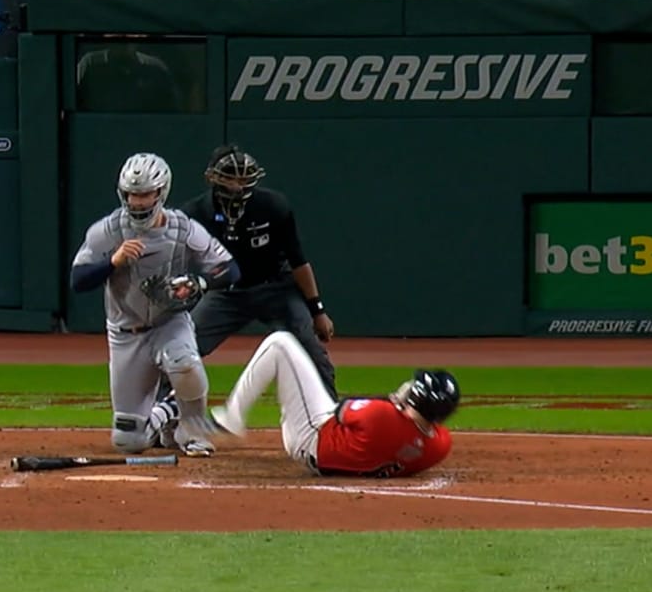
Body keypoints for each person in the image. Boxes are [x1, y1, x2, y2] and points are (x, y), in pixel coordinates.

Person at [70, 152, 241, 457]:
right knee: (128, 442)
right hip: (125, 333)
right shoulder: (107, 231)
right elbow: (78, 279)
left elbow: (229, 269)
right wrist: (113, 262)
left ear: (161, 192)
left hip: (168, 323)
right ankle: (166, 412)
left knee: (185, 362)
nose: (138, 203)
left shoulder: (182, 229)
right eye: (132, 195)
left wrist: (199, 282)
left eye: (145, 194)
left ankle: (193, 428)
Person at [178, 144, 337, 398]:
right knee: (181, 350)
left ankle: (330, 420)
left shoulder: (273, 206)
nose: (238, 185)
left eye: (243, 177)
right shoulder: (195, 214)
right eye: (230, 177)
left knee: (312, 352)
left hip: (276, 287)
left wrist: (317, 310)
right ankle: (160, 417)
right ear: (213, 178)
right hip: (225, 294)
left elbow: (298, 261)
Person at [213, 331, 458, 478]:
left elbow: (342, 410)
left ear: (417, 396)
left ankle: (232, 417)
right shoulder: (439, 446)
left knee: (280, 343)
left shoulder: (384, 416)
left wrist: (392, 403)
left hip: (310, 437)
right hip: (338, 462)